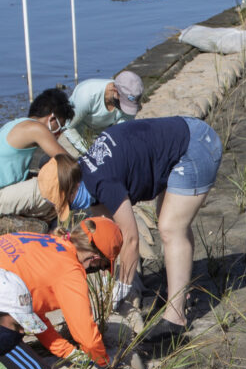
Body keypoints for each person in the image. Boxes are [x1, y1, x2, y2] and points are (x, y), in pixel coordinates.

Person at [43, 114, 220, 344]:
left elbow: (130, 239)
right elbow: (107, 232)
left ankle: (175, 320)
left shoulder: (102, 181)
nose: (72, 209)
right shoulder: (85, 171)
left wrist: (122, 286)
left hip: (195, 146)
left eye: (67, 202)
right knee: (172, 222)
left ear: (74, 187)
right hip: (179, 140)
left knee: (170, 227)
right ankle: (179, 289)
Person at [0, 217, 125, 369]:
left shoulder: (44, 242)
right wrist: (104, 363)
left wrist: (68, 352)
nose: (97, 271)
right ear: (95, 259)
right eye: (101, 267)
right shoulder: (70, 272)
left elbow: (33, 314)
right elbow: (87, 336)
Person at [0, 86, 76, 224]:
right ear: (52, 119)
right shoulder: (36, 128)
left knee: (44, 178)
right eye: (60, 127)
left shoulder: (18, 124)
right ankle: (48, 226)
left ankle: (44, 221)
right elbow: (68, 163)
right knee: (56, 184)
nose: (59, 134)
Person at [59, 72, 144, 156]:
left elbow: (122, 128)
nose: (124, 108)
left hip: (104, 129)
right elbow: (68, 127)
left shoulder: (130, 94)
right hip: (81, 131)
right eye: (123, 103)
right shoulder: (87, 96)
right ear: (114, 90)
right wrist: (88, 151)